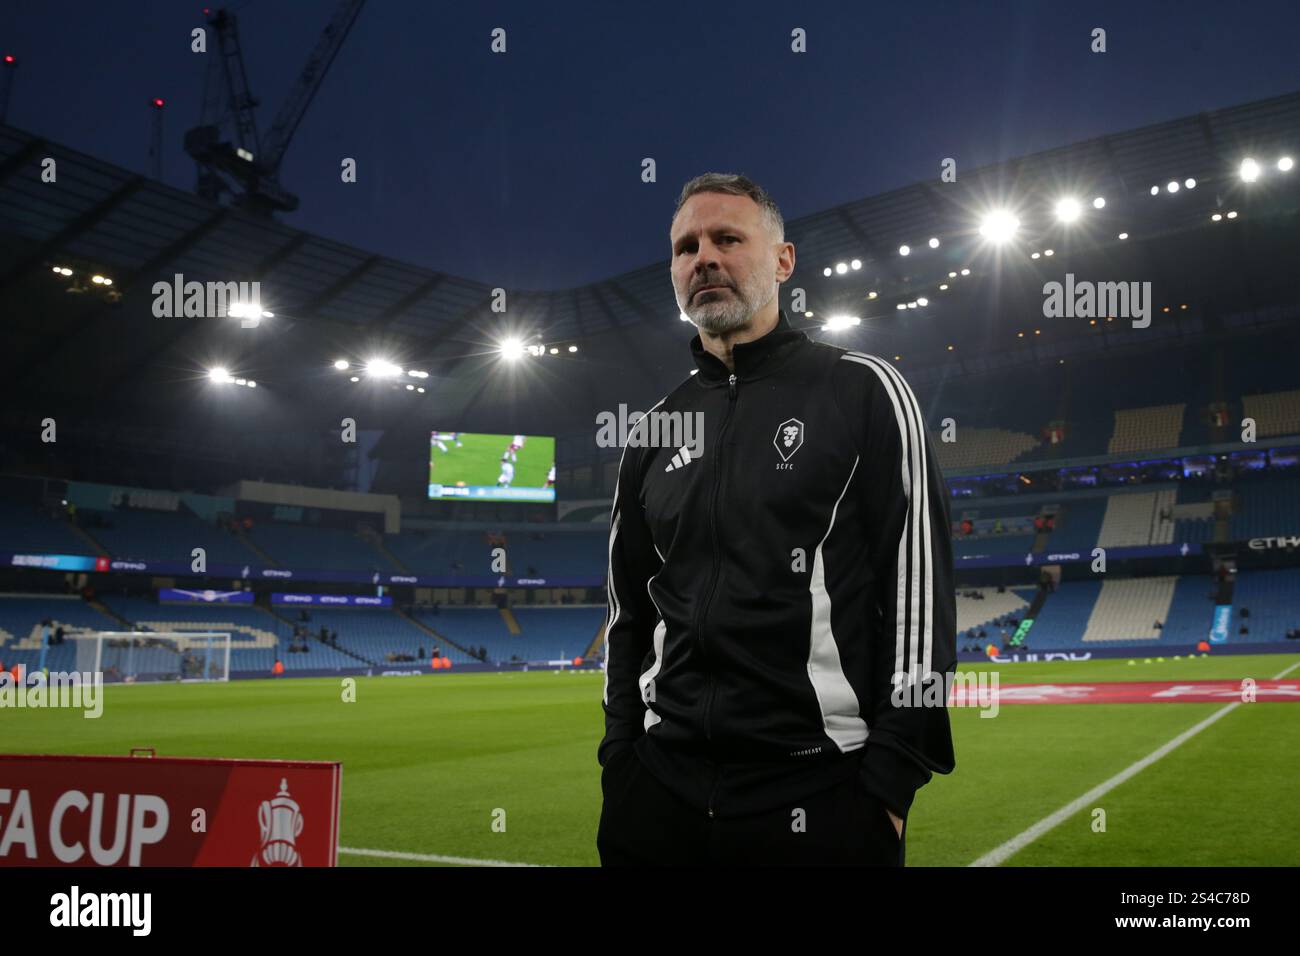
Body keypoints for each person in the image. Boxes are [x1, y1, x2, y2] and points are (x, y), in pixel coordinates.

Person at [597, 173, 955, 867]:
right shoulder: (653, 430)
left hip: (820, 790)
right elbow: (627, 615)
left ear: (783, 261)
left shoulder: (864, 391)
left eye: (728, 239)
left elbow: (920, 601)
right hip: (657, 794)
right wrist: (621, 757)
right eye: (686, 247)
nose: (704, 258)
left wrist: (889, 782)